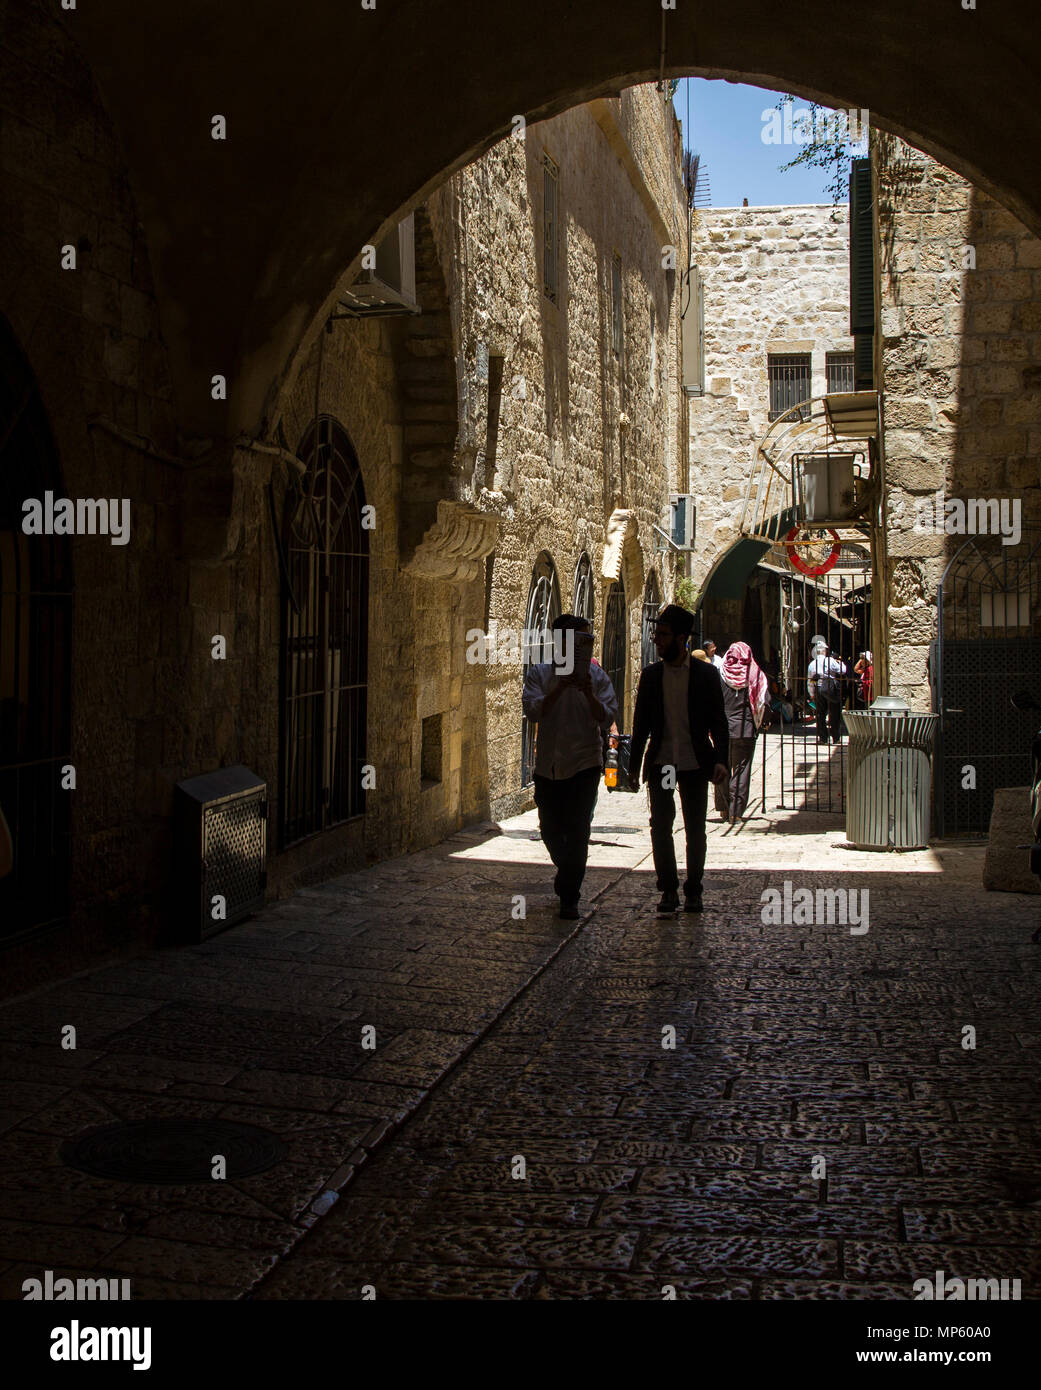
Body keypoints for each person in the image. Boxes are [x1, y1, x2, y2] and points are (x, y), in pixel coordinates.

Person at [628, 604, 729, 915]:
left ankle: (694, 889)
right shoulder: (651, 675)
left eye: (663, 635)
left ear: (682, 638)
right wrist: (632, 768)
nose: (657, 640)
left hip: (693, 763)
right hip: (665, 764)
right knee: (661, 824)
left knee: (694, 827)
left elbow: (718, 721)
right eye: (656, 634)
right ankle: (668, 888)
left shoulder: (706, 675)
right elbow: (640, 723)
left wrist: (722, 759)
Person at [522, 613, 618, 919]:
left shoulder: (597, 677)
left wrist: (588, 693)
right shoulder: (539, 674)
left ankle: (569, 896)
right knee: (550, 829)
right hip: (549, 764)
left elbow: (605, 718)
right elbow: (534, 712)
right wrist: (560, 687)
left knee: (578, 830)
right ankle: (569, 871)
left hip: (585, 763)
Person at [714, 641, 769, 822]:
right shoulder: (755, 674)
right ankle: (735, 812)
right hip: (745, 730)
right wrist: (763, 722)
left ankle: (723, 807)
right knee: (741, 770)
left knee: (722, 766)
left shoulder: (720, 675)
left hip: (722, 730)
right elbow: (763, 701)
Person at [808, 641, 847, 744]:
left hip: (819, 689)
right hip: (831, 688)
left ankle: (823, 738)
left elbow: (811, 680)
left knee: (820, 715)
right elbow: (842, 671)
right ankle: (836, 738)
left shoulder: (812, 664)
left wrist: (812, 693)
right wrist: (840, 662)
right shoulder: (830, 660)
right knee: (834, 713)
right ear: (825, 651)